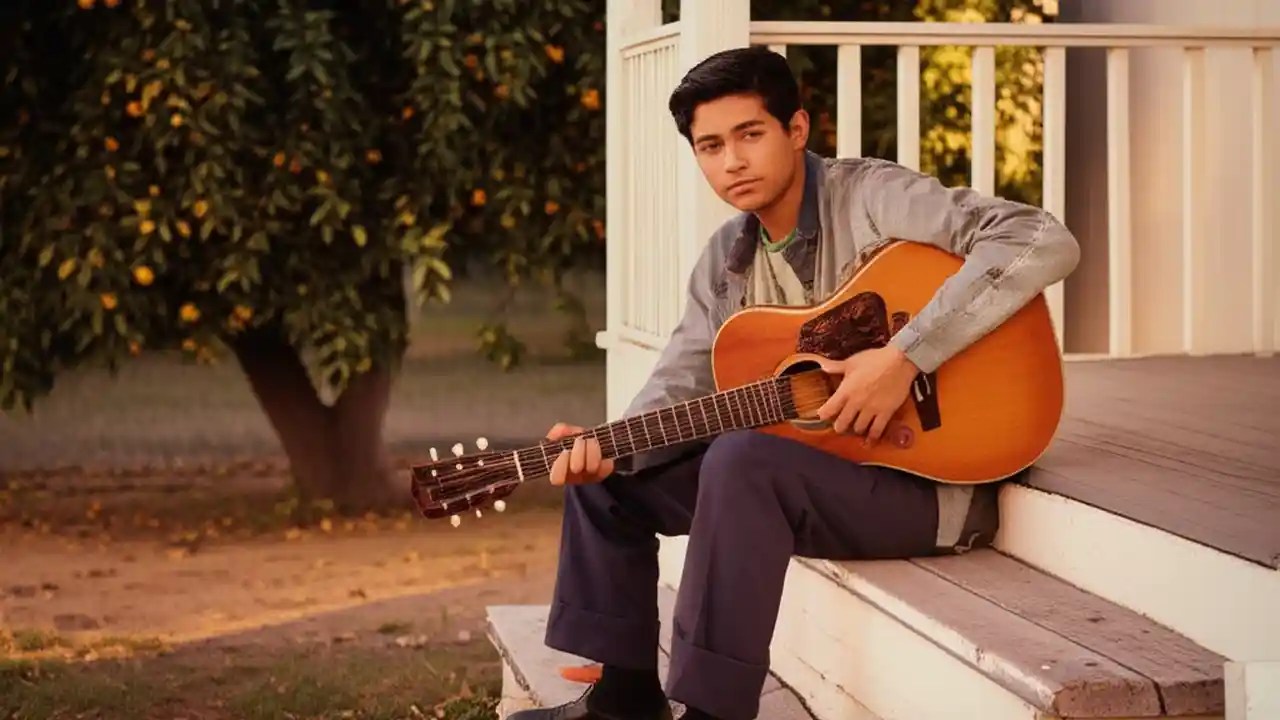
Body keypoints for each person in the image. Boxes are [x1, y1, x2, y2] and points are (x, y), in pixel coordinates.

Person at [507, 46, 1079, 720]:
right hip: (821, 477)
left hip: (933, 483)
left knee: (741, 458)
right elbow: (678, 384)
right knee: (608, 481)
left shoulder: (871, 196)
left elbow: (1041, 237)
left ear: (797, 129)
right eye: (710, 146)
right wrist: (610, 447)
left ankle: (715, 711)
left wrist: (904, 359)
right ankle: (623, 702)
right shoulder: (726, 260)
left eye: (750, 135)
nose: (732, 162)